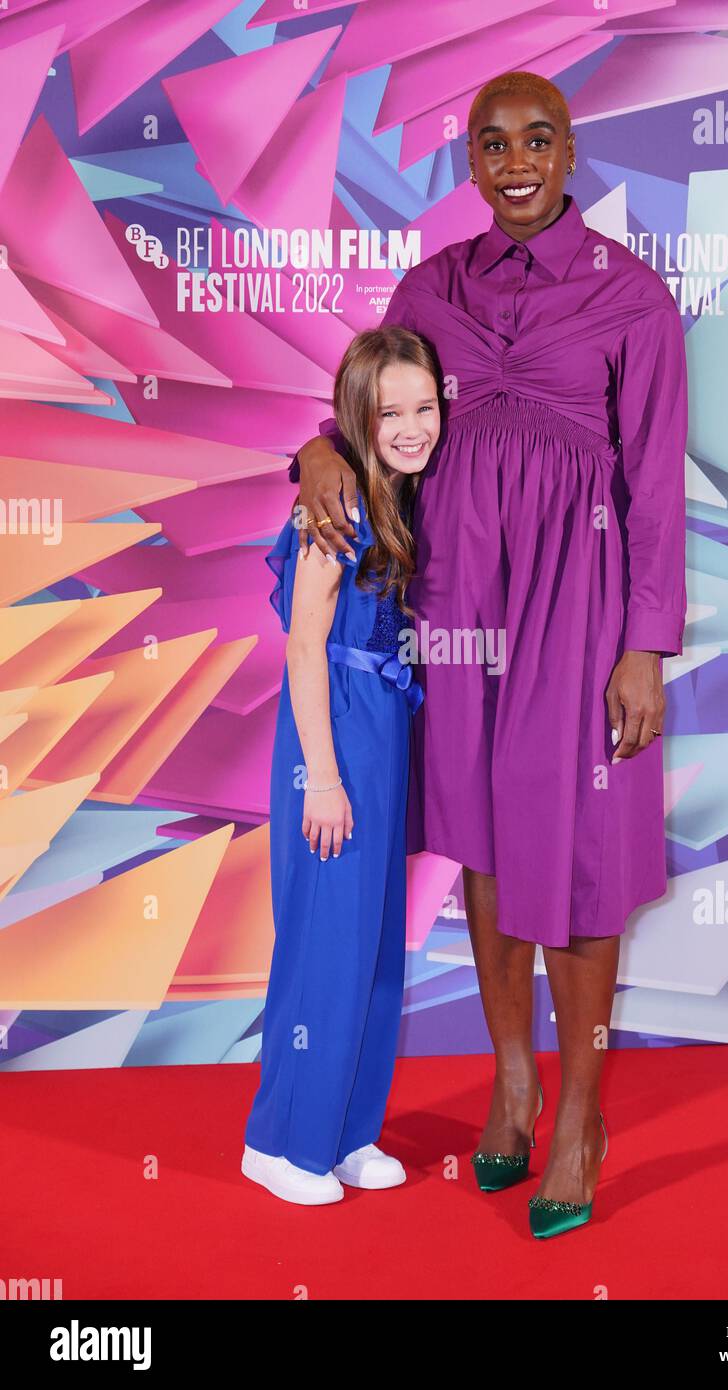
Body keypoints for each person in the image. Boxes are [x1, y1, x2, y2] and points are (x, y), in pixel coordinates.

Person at [291, 71, 688, 1237]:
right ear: (469, 161)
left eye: (538, 140)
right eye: (491, 143)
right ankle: (510, 1078)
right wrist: (317, 455)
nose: (515, 161)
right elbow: (375, 410)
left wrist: (644, 648)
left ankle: (580, 1115)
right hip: (455, 608)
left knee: (580, 848)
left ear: (569, 156)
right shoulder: (431, 285)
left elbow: (653, 486)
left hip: (580, 609)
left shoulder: (632, 299)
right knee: (484, 836)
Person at [243, 326, 442, 1205]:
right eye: (389, 410)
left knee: (372, 947)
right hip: (333, 735)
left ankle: (351, 1130)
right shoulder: (338, 506)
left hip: (382, 730)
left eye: (424, 407)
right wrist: (321, 776)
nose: (410, 425)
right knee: (325, 942)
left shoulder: (400, 494)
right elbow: (303, 651)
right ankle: (282, 1141)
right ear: (355, 418)